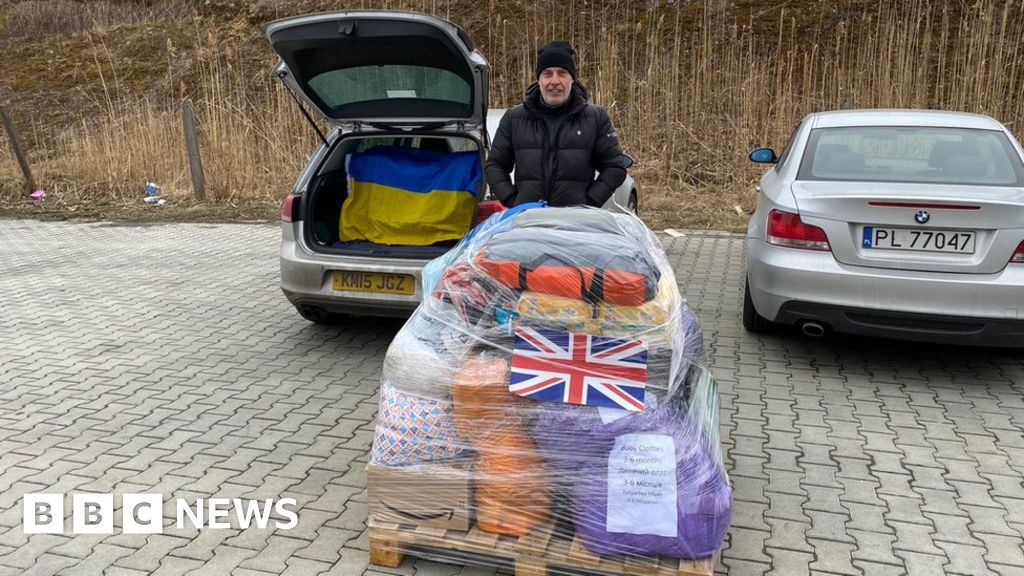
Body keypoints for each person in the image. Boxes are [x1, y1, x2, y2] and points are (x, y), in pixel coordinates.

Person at [485, 41, 626, 208]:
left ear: (572, 79)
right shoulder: (514, 118)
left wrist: (589, 202)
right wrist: (512, 201)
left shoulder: (595, 118)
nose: (555, 81)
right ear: (539, 79)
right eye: (547, 73)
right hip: (528, 221)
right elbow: (494, 166)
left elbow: (615, 167)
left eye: (562, 73)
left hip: (575, 222)